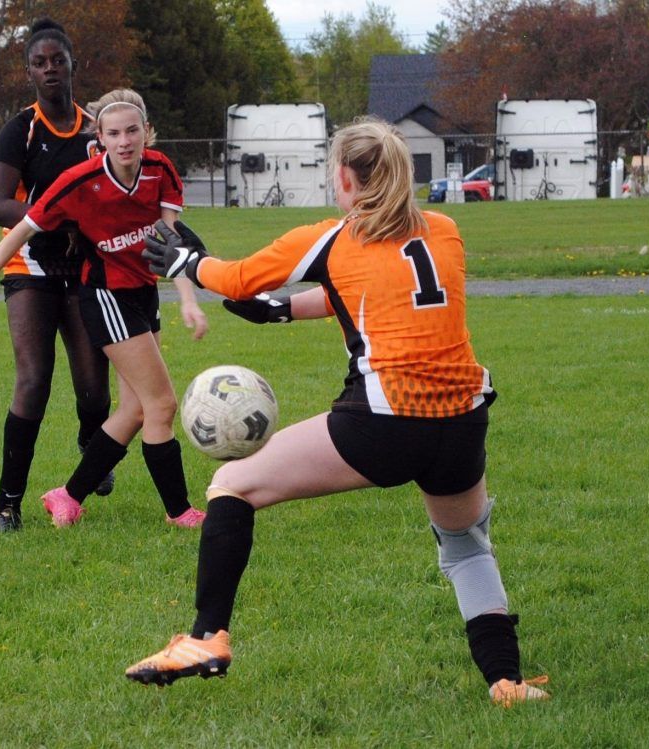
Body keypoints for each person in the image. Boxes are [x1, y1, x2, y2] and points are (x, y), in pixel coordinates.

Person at [126, 116, 550, 706]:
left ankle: (205, 638)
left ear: (347, 178)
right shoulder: (446, 230)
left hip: (385, 420)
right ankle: (507, 681)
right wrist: (280, 313)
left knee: (231, 484)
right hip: (461, 421)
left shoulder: (334, 236)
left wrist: (185, 264)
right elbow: (370, 293)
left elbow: (240, 277)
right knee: (466, 545)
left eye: (334, 172)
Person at [0, 89, 209, 529]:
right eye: (113, 133)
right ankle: (179, 511)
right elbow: (20, 230)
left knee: (134, 411)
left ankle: (68, 496)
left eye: (133, 131)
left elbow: (173, 243)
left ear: (147, 132)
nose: (125, 141)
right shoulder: (79, 181)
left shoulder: (160, 170)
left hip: (143, 293)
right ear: (100, 138)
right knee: (162, 404)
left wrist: (187, 299)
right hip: (105, 296)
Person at [0, 19, 114, 533]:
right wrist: (53, 217)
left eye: (57, 59)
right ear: (29, 72)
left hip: (83, 268)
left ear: (72, 64)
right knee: (33, 380)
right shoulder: (21, 129)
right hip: (30, 266)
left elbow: (110, 193)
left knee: (94, 389)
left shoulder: (93, 129)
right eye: (39, 62)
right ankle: (6, 502)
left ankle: (91, 442)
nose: (50, 68)